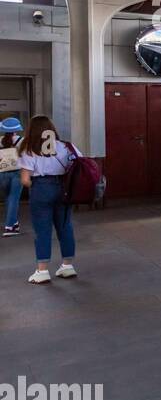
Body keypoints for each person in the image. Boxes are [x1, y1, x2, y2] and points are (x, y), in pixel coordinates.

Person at [16, 114, 77, 284]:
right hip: (64, 189)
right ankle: (67, 267)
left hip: (41, 188)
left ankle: (42, 271)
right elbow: (77, 163)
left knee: (43, 230)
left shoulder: (29, 148)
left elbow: (25, 180)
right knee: (65, 226)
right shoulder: (65, 146)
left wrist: (38, 186)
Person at [1, 117, 21, 236]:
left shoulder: (0, 140)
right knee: (14, 198)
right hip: (17, 172)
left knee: (8, 198)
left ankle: (14, 223)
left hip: (2, 172)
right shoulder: (22, 141)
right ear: (17, 129)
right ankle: (9, 227)